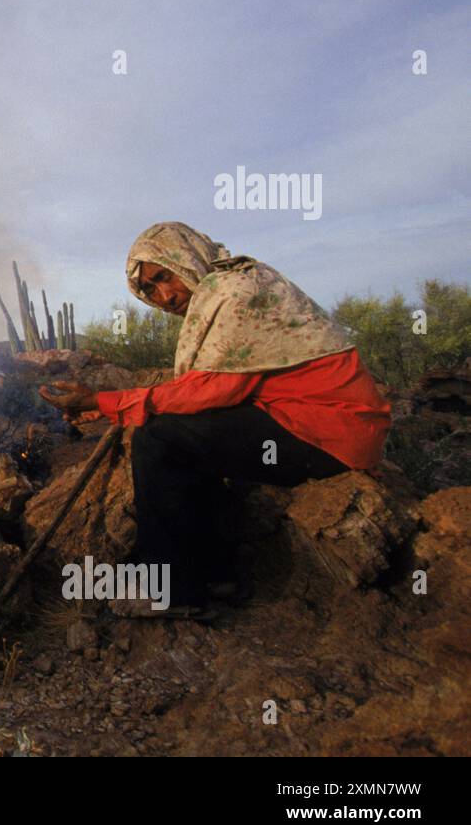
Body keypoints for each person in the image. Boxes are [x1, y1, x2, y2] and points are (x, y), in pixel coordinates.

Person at [40, 222, 391, 617]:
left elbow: (216, 390)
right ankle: (214, 574)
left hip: (330, 431)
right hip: (317, 422)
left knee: (159, 438)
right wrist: (104, 405)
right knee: (191, 433)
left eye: (163, 276)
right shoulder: (233, 285)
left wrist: (108, 401)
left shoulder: (235, 292)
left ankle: (172, 589)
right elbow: (212, 392)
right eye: (150, 290)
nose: (165, 295)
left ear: (185, 257)